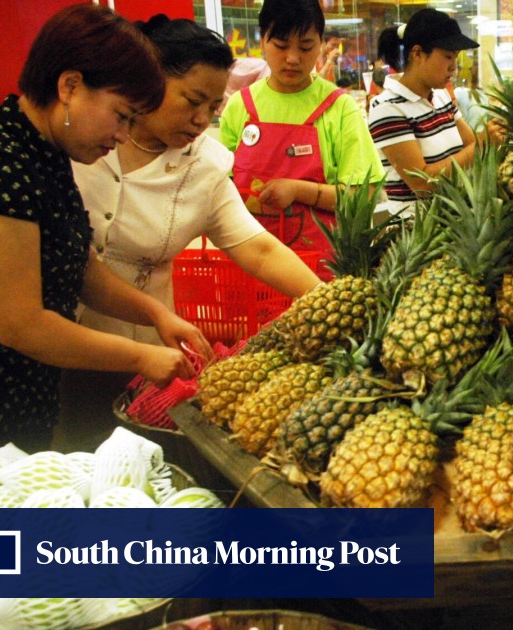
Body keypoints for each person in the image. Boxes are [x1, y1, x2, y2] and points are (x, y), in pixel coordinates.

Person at [0, 4, 205, 466]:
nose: (123, 135)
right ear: (70, 86)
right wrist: (141, 357)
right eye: (121, 115)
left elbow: (80, 270)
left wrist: (155, 315)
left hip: (18, 408)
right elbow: (21, 323)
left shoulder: (43, 153)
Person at [60, 16, 324, 452]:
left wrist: (326, 300)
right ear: (148, 81)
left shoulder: (204, 166)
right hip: (55, 338)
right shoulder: (82, 137)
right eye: (191, 101)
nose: (202, 119)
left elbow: (256, 247)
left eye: (214, 107)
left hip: (144, 353)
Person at [219, 0, 384, 281]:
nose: (293, 58)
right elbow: (219, 189)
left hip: (319, 273)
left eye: (305, 47)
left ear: (321, 44)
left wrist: (298, 190)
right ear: (262, 39)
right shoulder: (240, 106)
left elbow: (364, 197)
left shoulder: (339, 108)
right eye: (281, 46)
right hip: (247, 273)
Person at [367, 9, 479, 216]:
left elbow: (471, 144)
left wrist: (482, 145)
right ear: (417, 54)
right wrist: (482, 146)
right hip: (416, 232)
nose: (453, 67)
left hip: (453, 220)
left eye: (455, 57)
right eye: (447, 57)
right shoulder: (387, 108)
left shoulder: (441, 96)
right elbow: (422, 182)